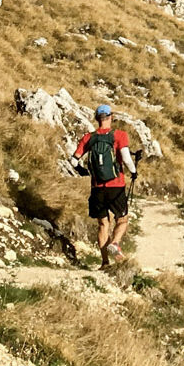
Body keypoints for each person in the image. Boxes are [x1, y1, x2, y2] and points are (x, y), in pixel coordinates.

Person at [74, 104, 134, 266]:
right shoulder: (119, 135)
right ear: (111, 117)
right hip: (116, 185)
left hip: (97, 187)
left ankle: (105, 262)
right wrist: (134, 172)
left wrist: (82, 171)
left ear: (96, 118)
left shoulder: (88, 137)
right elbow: (126, 159)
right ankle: (115, 243)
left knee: (103, 224)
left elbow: (74, 160)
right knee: (122, 219)